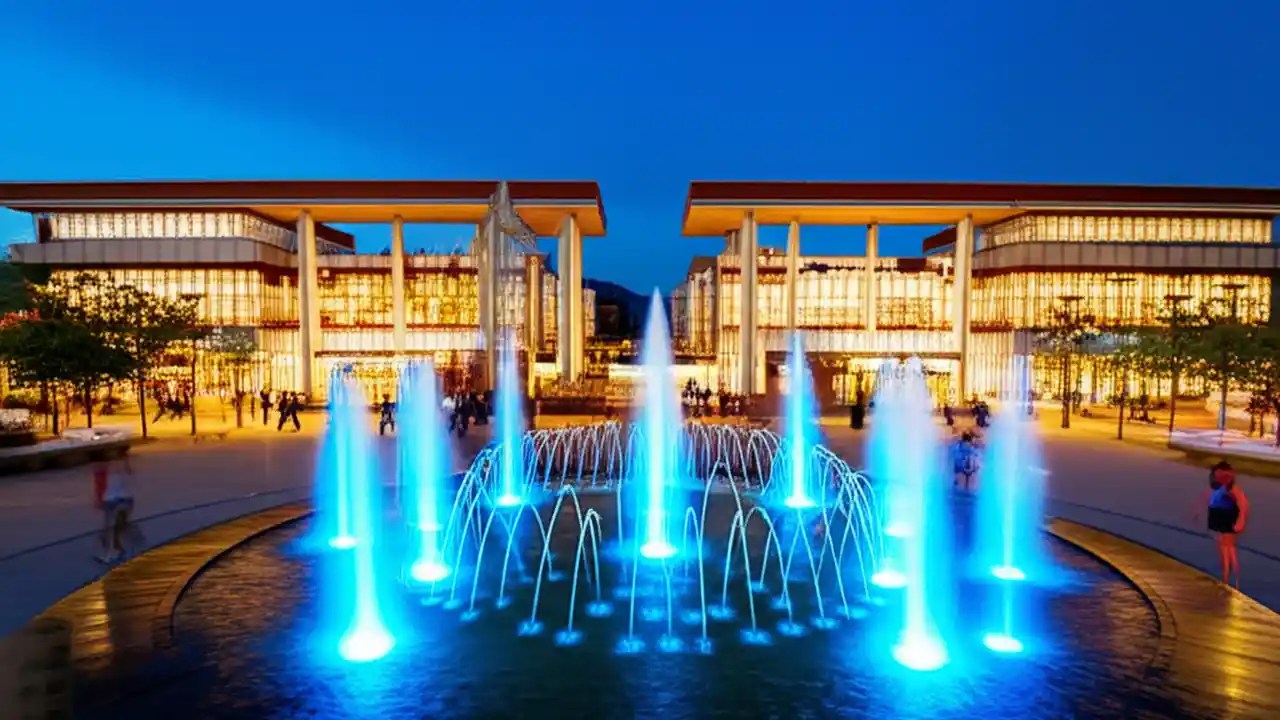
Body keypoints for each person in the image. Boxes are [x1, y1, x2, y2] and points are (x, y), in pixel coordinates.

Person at [1198, 461, 1250, 587]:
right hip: (1221, 516)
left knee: (1227, 548)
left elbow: (1242, 503)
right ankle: (1230, 579)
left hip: (1226, 518)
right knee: (1227, 548)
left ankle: (1228, 579)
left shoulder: (1231, 488)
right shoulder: (1221, 488)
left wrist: (1240, 520)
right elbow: (1210, 498)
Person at [97, 457, 136, 563]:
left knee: (110, 528)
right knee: (116, 528)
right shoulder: (123, 468)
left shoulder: (107, 468)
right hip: (123, 499)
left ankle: (111, 553)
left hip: (113, 500)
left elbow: (101, 484)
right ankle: (118, 550)